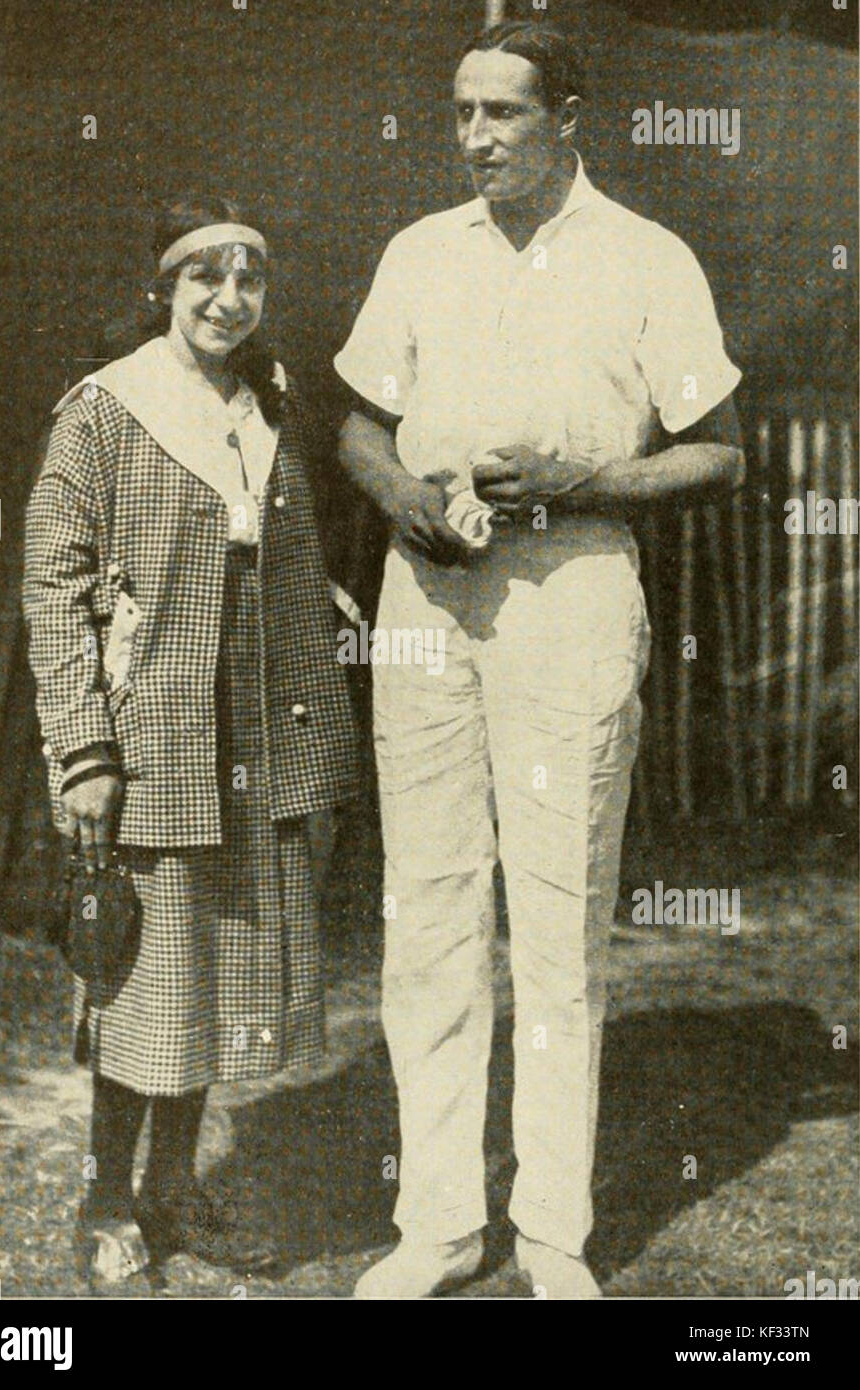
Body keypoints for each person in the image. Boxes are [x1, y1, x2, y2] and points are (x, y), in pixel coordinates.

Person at [334, 20, 745, 1299]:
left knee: (560, 920)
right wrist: (400, 497)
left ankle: (554, 1236)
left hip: (573, 594)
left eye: (502, 114)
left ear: (570, 116)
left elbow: (719, 449)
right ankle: (440, 1226)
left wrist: (585, 478)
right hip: (430, 603)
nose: (474, 138)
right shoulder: (419, 251)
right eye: (461, 112)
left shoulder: (646, 256)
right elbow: (359, 423)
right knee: (433, 914)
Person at [23, 194, 358, 1289]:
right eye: (204, 277)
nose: (229, 299)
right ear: (162, 289)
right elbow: (54, 585)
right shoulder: (105, 410)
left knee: (214, 975)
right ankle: (106, 1197)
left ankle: (175, 1189)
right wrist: (83, 751)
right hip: (154, 734)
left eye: (248, 278)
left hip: (255, 731)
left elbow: (265, 552)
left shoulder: (269, 401)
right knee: (139, 976)